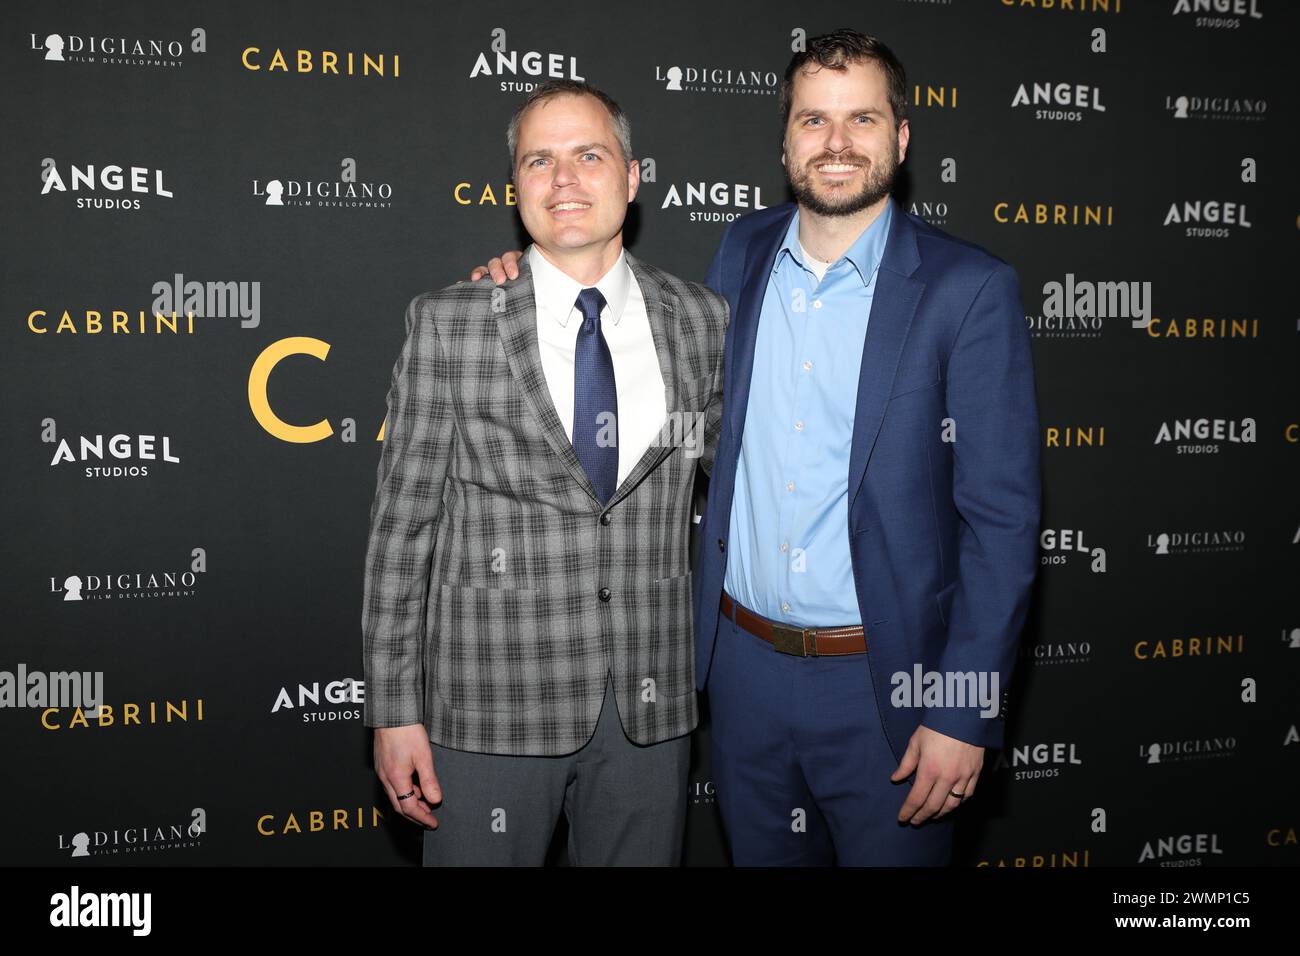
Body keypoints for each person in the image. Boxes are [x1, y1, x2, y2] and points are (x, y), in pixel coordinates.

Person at [472, 28, 1041, 866]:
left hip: (888, 685)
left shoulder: (968, 290)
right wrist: (530, 278)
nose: (837, 143)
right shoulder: (741, 251)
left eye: (863, 120)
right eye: (814, 121)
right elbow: (639, 333)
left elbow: (1002, 521)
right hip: (739, 677)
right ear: (785, 142)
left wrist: (963, 710)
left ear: (902, 137)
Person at [364, 79, 727, 866]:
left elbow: (735, 480)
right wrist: (392, 712)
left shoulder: (702, 319)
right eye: (540, 161)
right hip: (487, 711)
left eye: (589, 156)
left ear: (631, 180)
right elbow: (403, 528)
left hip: (650, 711)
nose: (564, 180)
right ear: (516, 187)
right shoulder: (450, 324)